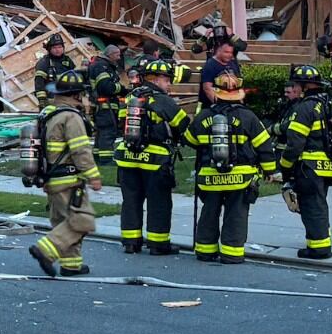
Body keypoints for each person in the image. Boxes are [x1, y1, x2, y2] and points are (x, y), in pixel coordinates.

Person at [182, 72, 272, 265]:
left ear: (217, 92)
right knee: (236, 214)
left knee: (209, 212)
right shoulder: (248, 117)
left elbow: (189, 140)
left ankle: (205, 250)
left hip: (210, 178)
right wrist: (271, 171)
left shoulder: (204, 115)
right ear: (239, 94)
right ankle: (231, 253)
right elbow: (264, 146)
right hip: (240, 179)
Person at [26, 70, 104, 277]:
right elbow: (81, 150)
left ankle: (71, 265)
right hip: (69, 180)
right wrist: (93, 176)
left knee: (64, 221)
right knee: (82, 220)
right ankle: (46, 249)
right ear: (76, 95)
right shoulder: (71, 117)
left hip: (51, 179)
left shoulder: (48, 115)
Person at [274, 64, 332, 259]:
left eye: (296, 85)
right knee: (319, 203)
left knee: (311, 206)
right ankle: (323, 236)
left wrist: (285, 165)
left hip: (309, 167)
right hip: (329, 165)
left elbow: (295, 143)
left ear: (304, 87)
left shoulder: (304, 108)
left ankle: (319, 248)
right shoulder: (329, 104)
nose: (295, 88)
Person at [115, 58, 187, 256]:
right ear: (156, 79)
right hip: (155, 160)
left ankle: (131, 242)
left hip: (128, 158)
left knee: (131, 200)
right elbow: (183, 125)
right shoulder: (162, 100)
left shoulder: (131, 97)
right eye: (167, 79)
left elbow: (121, 121)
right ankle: (158, 244)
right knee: (159, 203)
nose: (168, 84)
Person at [32, 33, 79, 107]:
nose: (58, 50)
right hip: (52, 100)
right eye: (54, 47)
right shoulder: (44, 63)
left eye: (60, 47)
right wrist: (42, 100)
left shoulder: (68, 61)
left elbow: (75, 78)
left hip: (68, 99)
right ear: (49, 49)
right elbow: (39, 83)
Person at [196, 38, 240, 106]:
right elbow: (207, 88)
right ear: (219, 51)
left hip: (231, 104)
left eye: (231, 52)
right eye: (226, 52)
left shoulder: (232, 64)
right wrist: (219, 105)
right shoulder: (210, 65)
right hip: (213, 107)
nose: (229, 55)